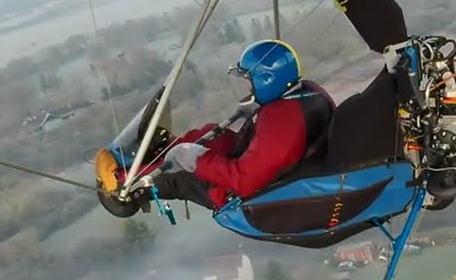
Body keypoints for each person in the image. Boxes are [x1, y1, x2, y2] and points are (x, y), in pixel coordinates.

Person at [99, 39, 334, 216]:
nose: (247, 88)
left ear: (267, 79)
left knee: (180, 173)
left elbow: (245, 180)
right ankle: (155, 150)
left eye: (249, 81)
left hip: (245, 196)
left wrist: (195, 160)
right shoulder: (302, 94)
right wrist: (186, 145)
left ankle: (123, 185)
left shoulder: (282, 121)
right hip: (263, 164)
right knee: (209, 134)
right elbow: (260, 149)